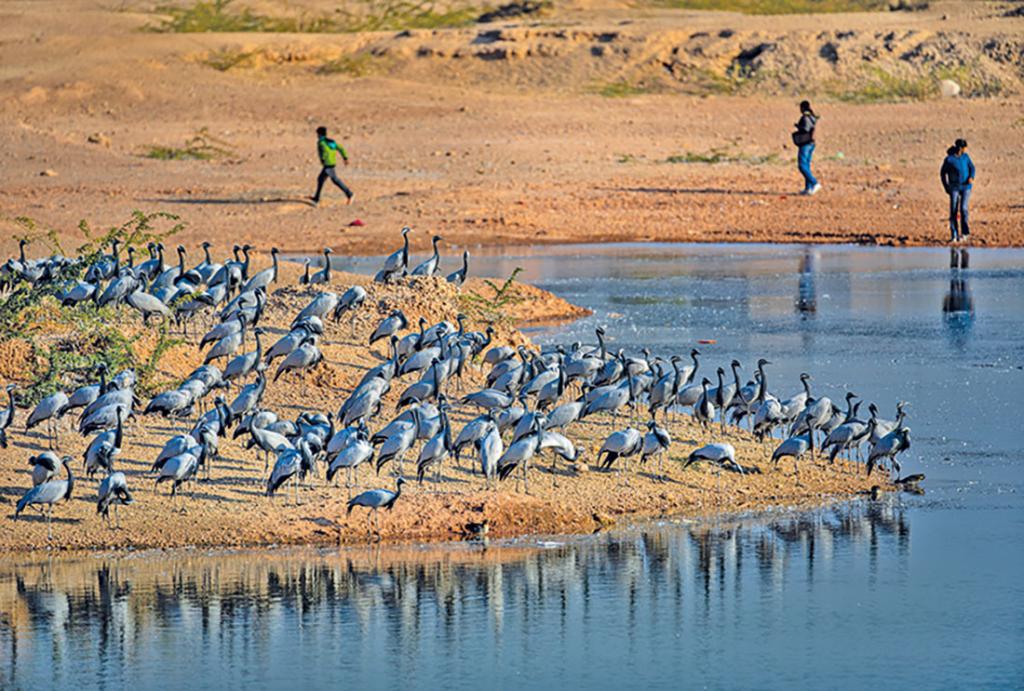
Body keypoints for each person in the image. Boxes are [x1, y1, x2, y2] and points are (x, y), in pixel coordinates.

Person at [940, 138, 975, 243]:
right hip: (954, 188)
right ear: (960, 148)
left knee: (964, 209)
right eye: (964, 148)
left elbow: (972, 168)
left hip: (966, 187)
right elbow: (942, 173)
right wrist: (946, 186)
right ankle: (954, 235)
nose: (965, 149)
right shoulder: (949, 160)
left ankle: (965, 233)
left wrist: (971, 177)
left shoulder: (966, 157)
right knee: (954, 211)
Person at [310, 126, 354, 206]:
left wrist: (323, 159)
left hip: (328, 165)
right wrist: (345, 157)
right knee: (320, 179)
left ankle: (349, 194)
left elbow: (324, 151)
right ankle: (316, 198)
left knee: (335, 180)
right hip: (331, 163)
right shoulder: (331, 142)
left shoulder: (321, 143)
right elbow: (340, 148)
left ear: (319, 134)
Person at [792, 100, 821, 195]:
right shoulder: (812, 117)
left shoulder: (805, 118)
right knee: (807, 165)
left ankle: (814, 183)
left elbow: (806, 129)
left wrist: (798, 126)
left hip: (806, 144)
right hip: (811, 144)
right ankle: (808, 188)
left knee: (802, 166)